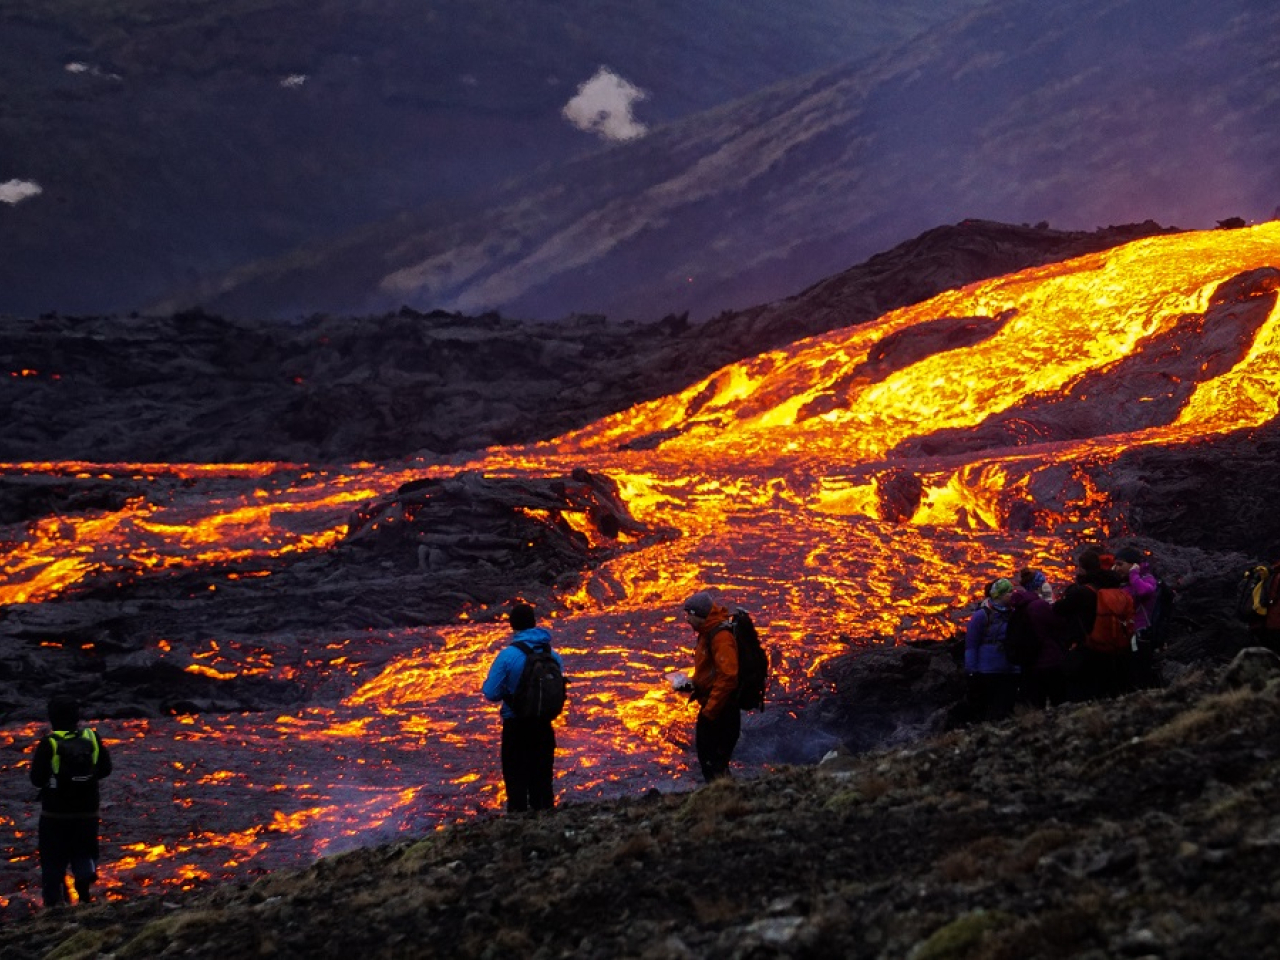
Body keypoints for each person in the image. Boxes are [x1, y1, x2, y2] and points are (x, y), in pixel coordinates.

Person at [29, 694, 112, 908]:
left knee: (52, 861)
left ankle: (53, 906)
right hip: (87, 813)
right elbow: (105, 770)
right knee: (85, 854)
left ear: (52, 718)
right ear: (77, 716)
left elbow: (36, 780)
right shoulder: (92, 737)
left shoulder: (49, 743)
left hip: (54, 815)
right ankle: (85, 896)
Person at [481, 604, 563, 812]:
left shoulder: (508, 656)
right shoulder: (553, 655)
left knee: (516, 786)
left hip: (516, 727)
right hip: (544, 727)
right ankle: (548, 829)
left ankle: (517, 833)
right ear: (534, 623)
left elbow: (491, 693)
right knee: (543, 784)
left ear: (512, 626)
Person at [1053, 548, 1131, 700]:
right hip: (1112, 647)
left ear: (1082, 569)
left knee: (1081, 693)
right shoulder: (1113, 586)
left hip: (1086, 646)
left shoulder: (1081, 592)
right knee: (1106, 694)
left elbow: (1058, 609)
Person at [683, 590, 740, 782]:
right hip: (712, 706)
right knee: (711, 762)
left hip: (721, 710)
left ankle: (725, 803)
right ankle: (723, 799)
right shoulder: (706, 633)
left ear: (699, 615)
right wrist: (691, 684)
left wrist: (710, 710)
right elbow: (711, 672)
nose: (687, 621)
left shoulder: (720, 637)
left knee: (715, 762)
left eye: (689, 615)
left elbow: (728, 676)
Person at [964, 578, 1020, 721]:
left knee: (1007, 709)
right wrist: (972, 670)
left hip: (1010, 669)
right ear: (999, 595)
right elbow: (971, 644)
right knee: (991, 709)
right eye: (1008, 592)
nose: (1012, 594)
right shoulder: (981, 616)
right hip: (988, 670)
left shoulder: (1015, 614)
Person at [1009, 580, 1069, 708]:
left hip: (1029, 663)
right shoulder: (1039, 606)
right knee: (1058, 700)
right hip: (1049, 658)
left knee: (1036, 703)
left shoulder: (1016, 611)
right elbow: (1059, 624)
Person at [1114, 546, 1159, 687]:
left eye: (1120, 564)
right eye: (1115, 565)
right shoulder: (1123, 583)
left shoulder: (1147, 579)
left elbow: (1144, 592)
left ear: (1133, 564)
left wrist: (1134, 574)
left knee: (1141, 674)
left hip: (1142, 635)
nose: (1116, 568)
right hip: (1126, 635)